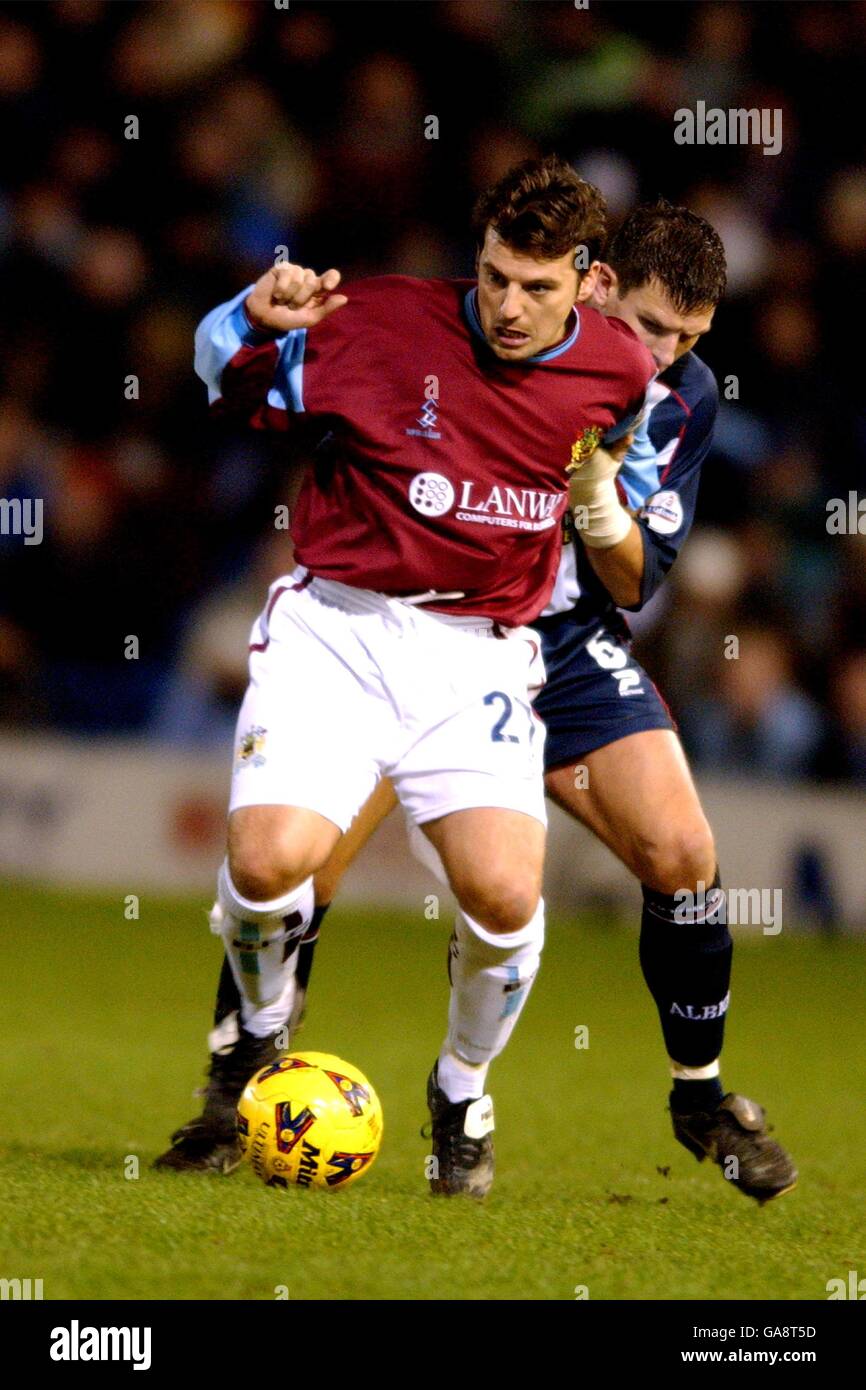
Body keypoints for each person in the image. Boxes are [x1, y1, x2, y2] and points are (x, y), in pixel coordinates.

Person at [173, 200, 797, 1206]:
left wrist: (594, 497)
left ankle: (696, 1096)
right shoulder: (500, 343)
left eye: (688, 339)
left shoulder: (675, 395)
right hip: (432, 632)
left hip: (564, 642)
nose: (668, 355)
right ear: (592, 290)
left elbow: (636, 579)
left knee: (680, 853)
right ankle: (234, 1079)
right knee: (299, 863)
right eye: (649, 327)